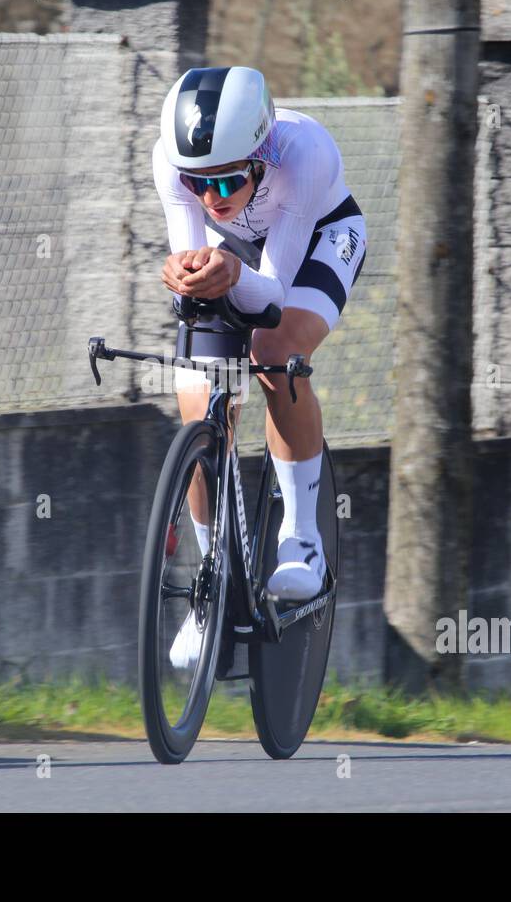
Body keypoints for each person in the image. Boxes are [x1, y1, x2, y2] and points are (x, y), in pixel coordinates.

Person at [154, 66, 367, 667]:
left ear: (259, 155)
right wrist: (183, 280)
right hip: (241, 256)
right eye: (198, 183)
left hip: (319, 239)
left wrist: (228, 275)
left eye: (226, 180)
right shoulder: (170, 164)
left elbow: (272, 295)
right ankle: (210, 590)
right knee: (199, 396)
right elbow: (190, 273)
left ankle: (302, 542)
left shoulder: (304, 155)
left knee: (275, 356)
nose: (212, 198)